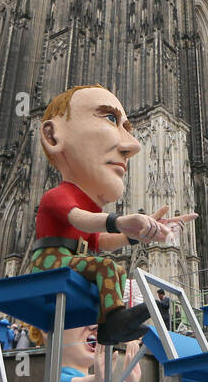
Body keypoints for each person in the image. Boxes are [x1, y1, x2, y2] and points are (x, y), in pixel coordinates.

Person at [32, 85, 196, 347]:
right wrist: (118, 221)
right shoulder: (58, 196)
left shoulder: (86, 201)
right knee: (108, 267)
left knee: (115, 271)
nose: (133, 145)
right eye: (110, 119)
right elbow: (79, 219)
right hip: (50, 260)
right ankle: (114, 321)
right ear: (52, 136)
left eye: (127, 127)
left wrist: (135, 236)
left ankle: (111, 321)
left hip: (72, 261)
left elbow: (99, 241)